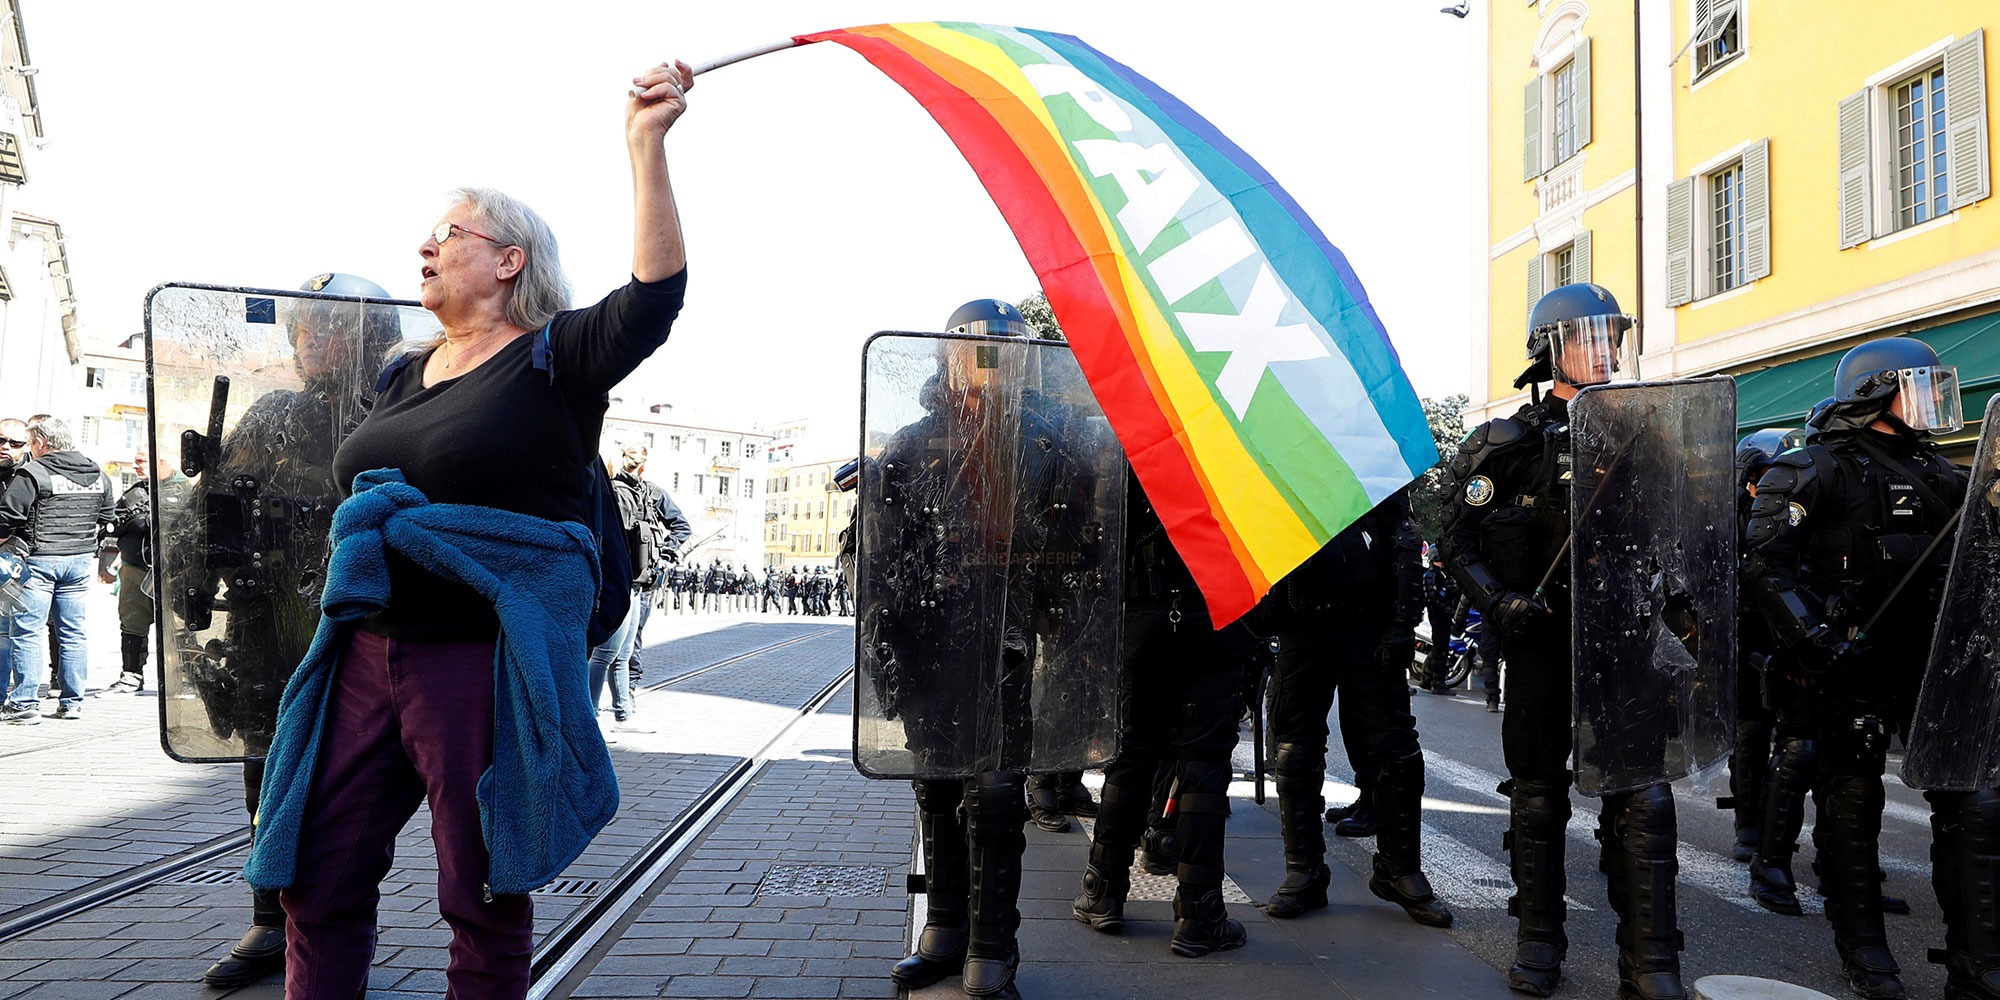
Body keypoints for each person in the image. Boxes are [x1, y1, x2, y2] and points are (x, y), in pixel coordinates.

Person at [241, 60, 691, 1000]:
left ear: (508, 259)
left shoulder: (554, 360)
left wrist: (644, 145)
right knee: (316, 880)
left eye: (449, 233)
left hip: (475, 660)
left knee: (477, 893)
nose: (425, 247)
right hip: (365, 650)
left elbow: (653, 297)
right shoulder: (404, 371)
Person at [1440, 283, 1688, 1000]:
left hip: (1624, 646)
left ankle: (1650, 963)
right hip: (1542, 643)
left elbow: (1678, 537)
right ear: (1552, 349)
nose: (1605, 349)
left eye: (1612, 335)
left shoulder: (1643, 434)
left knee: (1642, 797)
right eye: (1589, 337)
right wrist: (1498, 599)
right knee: (1539, 795)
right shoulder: (1508, 443)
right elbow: (1457, 539)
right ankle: (1540, 939)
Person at [1744, 338, 1969, 999]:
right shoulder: (1812, 468)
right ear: (1876, 393)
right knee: (1851, 798)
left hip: (1930, 662)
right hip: (1849, 663)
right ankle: (1866, 953)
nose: (1933, 400)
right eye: (1918, 386)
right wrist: (1813, 638)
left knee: (1971, 802)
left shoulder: (1948, 474)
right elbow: (1765, 562)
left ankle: (1975, 961)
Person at [1258, 489, 1453, 930]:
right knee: (1295, 751)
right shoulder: (1282, 450)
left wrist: (1403, 622)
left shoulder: (1362, 445)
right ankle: (1304, 870)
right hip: (1302, 624)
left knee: (1399, 752)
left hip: (1369, 622)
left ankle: (1398, 869)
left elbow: (1403, 534)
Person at [0, 416, 115, 724]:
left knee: (27, 632)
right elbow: (107, 515)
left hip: (38, 560)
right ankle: (71, 703)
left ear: (41, 443)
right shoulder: (96, 471)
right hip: (79, 562)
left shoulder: (33, 472)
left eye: (29, 442)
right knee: (73, 633)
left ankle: (23, 703)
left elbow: (7, 517)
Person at [100, 448, 190, 694]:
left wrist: (149, 520)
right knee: (132, 622)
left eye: (141, 461)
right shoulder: (136, 491)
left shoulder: (186, 490)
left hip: (174, 572)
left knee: (181, 624)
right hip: (134, 569)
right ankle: (131, 675)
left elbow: (194, 528)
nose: (136, 466)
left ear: (162, 461)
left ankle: (188, 677)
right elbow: (111, 524)